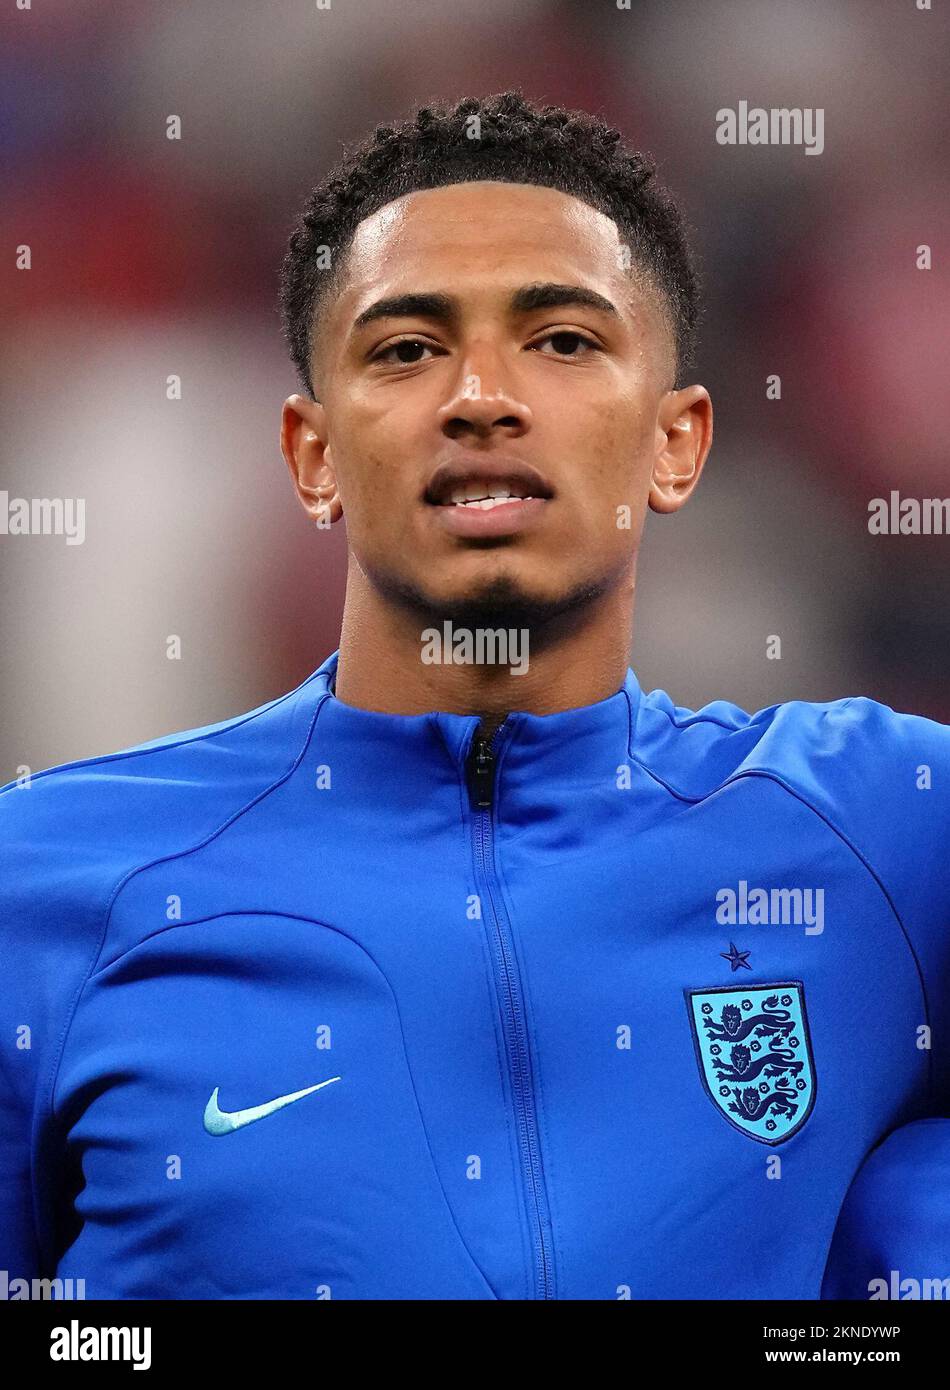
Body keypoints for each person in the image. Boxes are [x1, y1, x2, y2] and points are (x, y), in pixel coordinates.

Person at [1, 91, 947, 1301]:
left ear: (676, 444)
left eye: (561, 340)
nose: (479, 395)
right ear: (312, 455)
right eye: (405, 348)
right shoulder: (43, 885)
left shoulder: (889, 826)